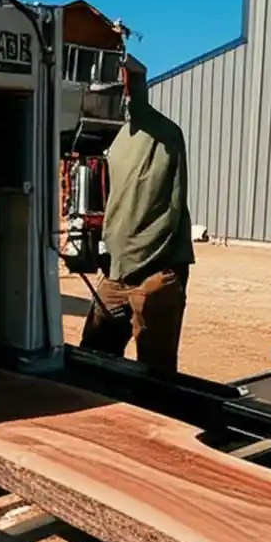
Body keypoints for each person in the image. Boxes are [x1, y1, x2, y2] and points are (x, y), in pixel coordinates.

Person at [79, 56, 194, 373]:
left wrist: (126, 67)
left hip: (156, 271)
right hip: (117, 270)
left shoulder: (164, 135)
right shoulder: (117, 140)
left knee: (155, 370)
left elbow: (162, 209)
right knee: (94, 354)